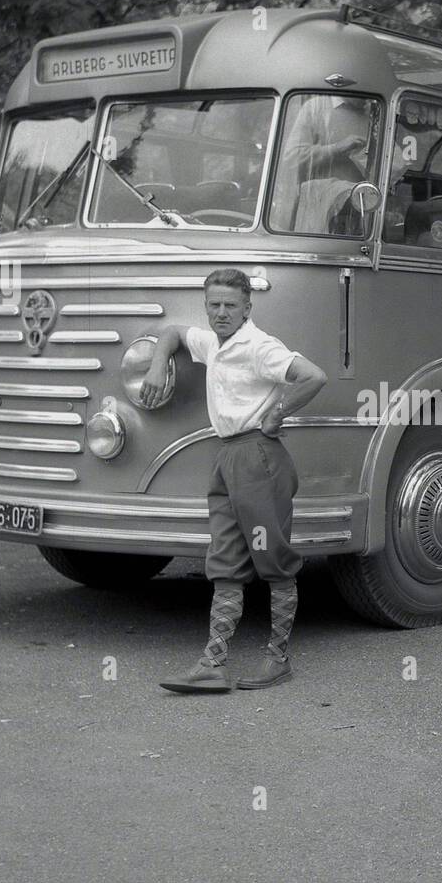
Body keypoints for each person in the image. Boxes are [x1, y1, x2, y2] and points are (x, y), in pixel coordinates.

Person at [142, 268, 327, 692]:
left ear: (248, 307)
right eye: (214, 305)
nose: (221, 312)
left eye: (230, 305)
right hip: (225, 455)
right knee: (224, 558)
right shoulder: (213, 342)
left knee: (272, 558)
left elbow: (313, 376)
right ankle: (213, 663)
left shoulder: (259, 346)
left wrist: (278, 412)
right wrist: (157, 366)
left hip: (259, 458)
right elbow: (171, 332)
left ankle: (278, 657)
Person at [270, 94, 375, 233]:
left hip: (364, 214)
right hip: (318, 216)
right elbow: (291, 158)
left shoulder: (375, 112)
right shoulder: (315, 108)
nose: (367, 99)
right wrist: (336, 148)